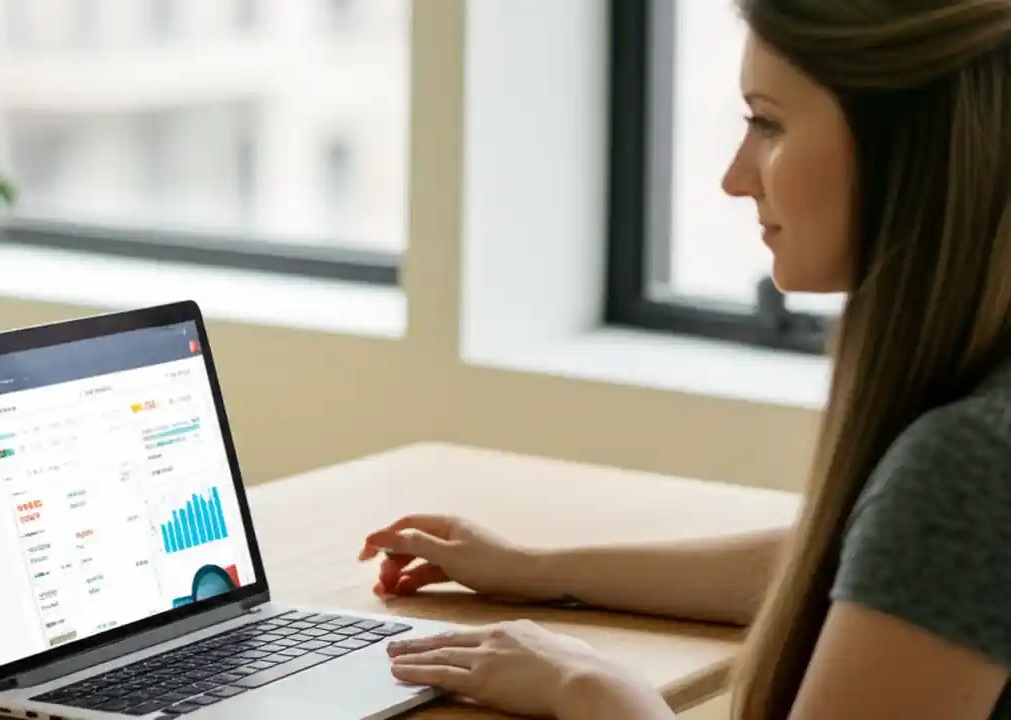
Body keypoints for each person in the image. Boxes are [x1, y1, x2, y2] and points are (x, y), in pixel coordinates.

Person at [357, 1, 1011, 718]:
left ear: (913, 136)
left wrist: (599, 693)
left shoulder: (970, 464)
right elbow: (861, 560)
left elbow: (927, 533)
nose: (735, 178)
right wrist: (535, 570)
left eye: (768, 122)